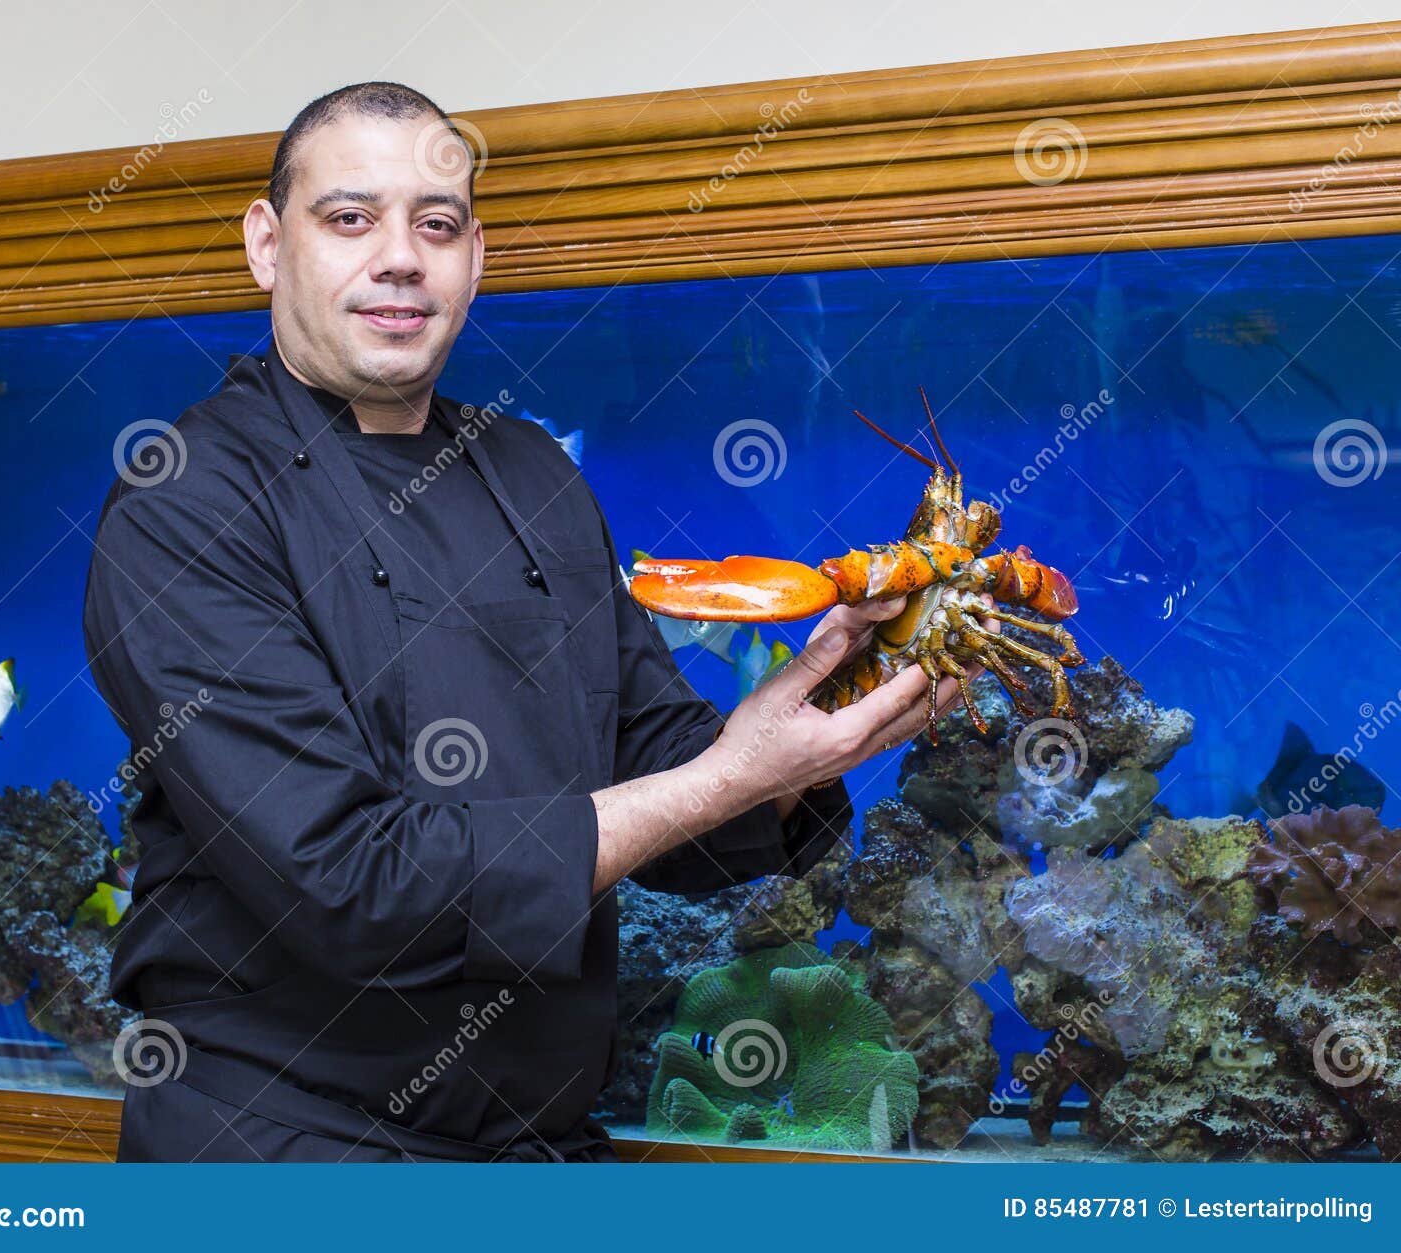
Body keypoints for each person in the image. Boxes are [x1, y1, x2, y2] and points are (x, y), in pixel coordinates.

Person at [81, 81, 978, 1163]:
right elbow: (351, 884)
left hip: (541, 1145)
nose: (402, 257)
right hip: (284, 1143)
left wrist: (830, 704)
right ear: (268, 245)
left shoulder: (529, 471)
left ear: (476, 259)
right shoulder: (186, 502)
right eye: (350, 218)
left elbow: (653, 755)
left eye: (438, 223)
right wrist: (727, 776)